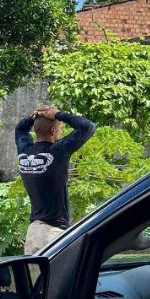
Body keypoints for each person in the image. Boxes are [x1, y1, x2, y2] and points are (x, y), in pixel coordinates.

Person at [15, 105, 96, 253]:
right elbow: (88, 127)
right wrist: (58, 114)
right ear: (53, 130)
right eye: (60, 128)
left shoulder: (24, 152)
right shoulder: (57, 151)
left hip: (33, 233)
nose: (62, 131)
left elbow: (20, 129)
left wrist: (34, 116)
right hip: (52, 235)